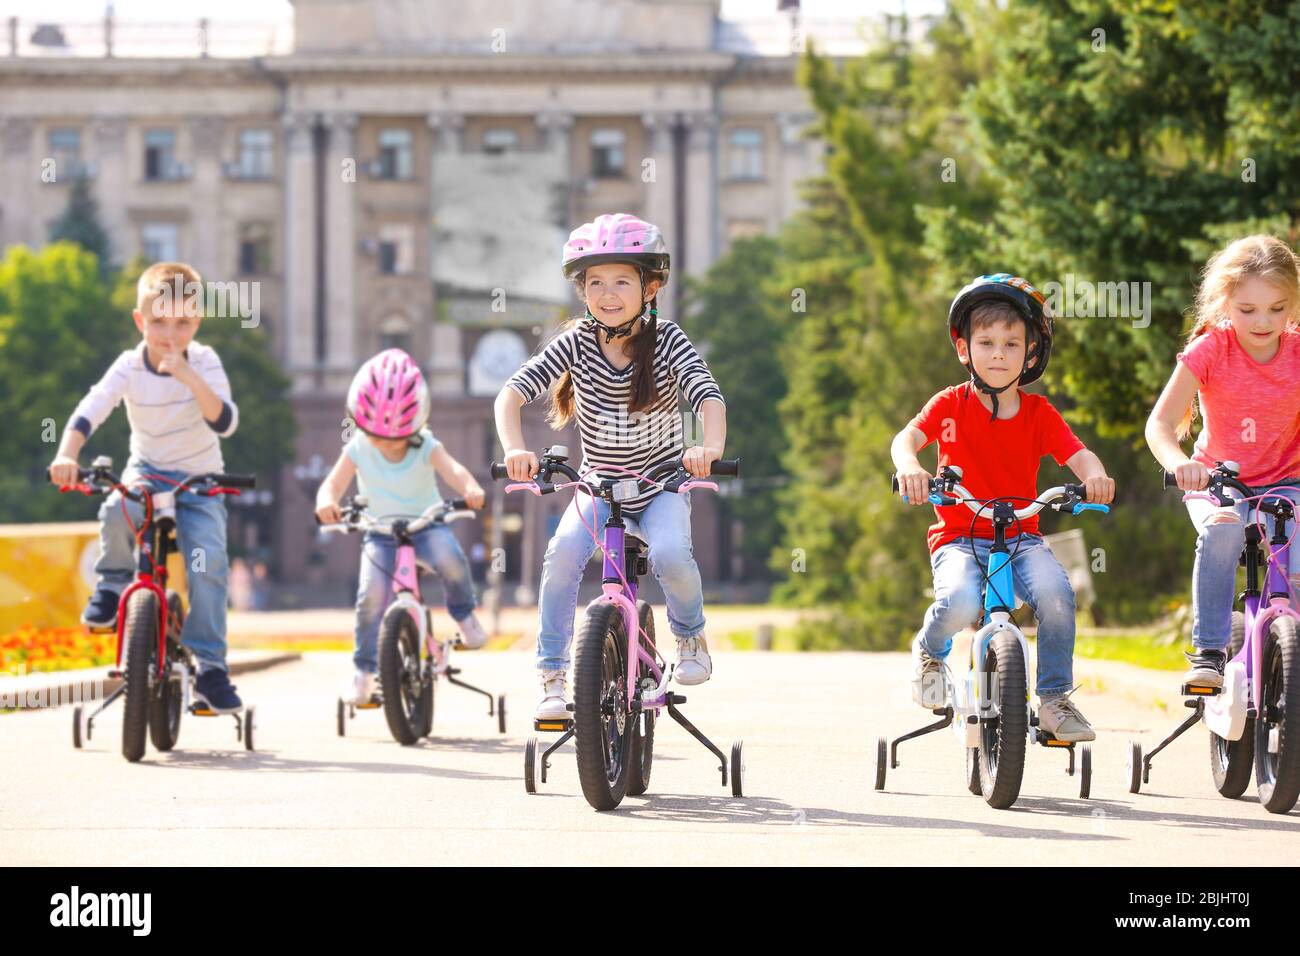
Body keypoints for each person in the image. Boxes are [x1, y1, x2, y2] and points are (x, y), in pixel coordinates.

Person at [494, 213, 728, 722]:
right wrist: (515, 449)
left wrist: (707, 447)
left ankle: (691, 639)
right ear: (582, 291)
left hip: (660, 485)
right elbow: (510, 394)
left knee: (670, 552)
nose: (607, 293)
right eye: (594, 282)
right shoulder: (576, 342)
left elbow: (709, 397)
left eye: (622, 280)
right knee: (560, 560)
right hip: (598, 487)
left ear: (652, 286)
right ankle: (553, 675)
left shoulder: (667, 340)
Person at [890, 273, 1114, 742]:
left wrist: (1093, 477)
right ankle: (931, 653)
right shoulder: (950, 404)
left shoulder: (1039, 414)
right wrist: (910, 466)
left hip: (1021, 538)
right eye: (986, 342)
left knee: (1057, 595)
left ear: (1031, 353)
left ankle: (1053, 699)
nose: (998, 353)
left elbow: (1078, 454)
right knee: (960, 602)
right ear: (963, 349)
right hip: (958, 537)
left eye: (1011, 344)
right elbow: (905, 439)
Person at [47, 261, 245, 713]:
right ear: (140, 321)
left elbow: (226, 422)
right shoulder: (129, 366)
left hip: (199, 484)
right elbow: (91, 408)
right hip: (149, 472)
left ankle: (211, 668)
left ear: (196, 322)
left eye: (181, 323)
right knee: (118, 507)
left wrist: (189, 377)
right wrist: (66, 454)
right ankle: (114, 584)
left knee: (206, 562)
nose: (169, 334)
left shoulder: (205, 361)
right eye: (157, 321)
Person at [1145, 235, 1300, 688]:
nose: (1263, 321)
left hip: (1286, 482)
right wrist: (1179, 463)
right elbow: (1160, 424)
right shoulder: (1212, 349)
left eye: (1278, 307)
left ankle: (1289, 651)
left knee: (1294, 554)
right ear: (1223, 303)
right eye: (1247, 309)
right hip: (1218, 483)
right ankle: (1210, 652)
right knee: (1223, 527)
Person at [315, 348, 489, 705]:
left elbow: (453, 469)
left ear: (415, 425)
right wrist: (325, 502)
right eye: (377, 436)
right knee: (370, 597)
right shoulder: (359, 447)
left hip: (426, 526)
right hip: (380, 532)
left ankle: (464, 615)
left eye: (395, 438)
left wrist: (470, 488)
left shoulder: (425, 444)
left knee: (450, 557)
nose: (386, 444)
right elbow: (332, 484)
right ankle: (363, 672)